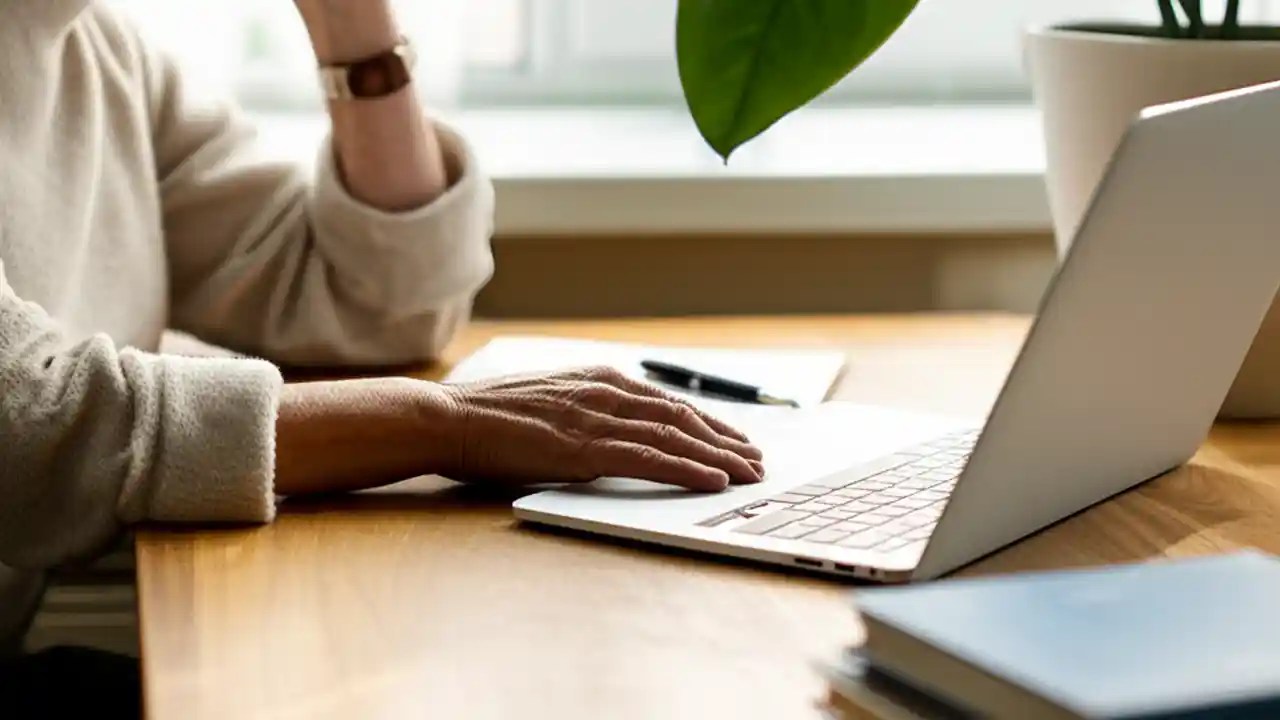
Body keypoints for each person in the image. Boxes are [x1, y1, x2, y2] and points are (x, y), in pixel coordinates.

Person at [0, 0, 763, 714]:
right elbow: (36, 431)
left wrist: (354, 27)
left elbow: (383, 300)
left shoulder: (91, 49)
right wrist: (445, 423)